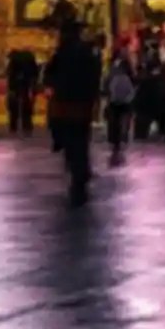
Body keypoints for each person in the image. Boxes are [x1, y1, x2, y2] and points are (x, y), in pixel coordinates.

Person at [46, 21, 101, 206]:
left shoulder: (61, 53)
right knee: (81, 140)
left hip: (65, 104)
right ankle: (81, 174)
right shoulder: (87, 52)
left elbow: (49, 75)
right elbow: (94, 75)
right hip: (82, 105)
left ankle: (74, 170)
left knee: (70, 141)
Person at [104, 52, 135, 163]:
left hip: (119, 103)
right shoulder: (120, 74)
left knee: (118, 123)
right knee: (118, 123)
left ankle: (118, 142)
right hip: (119, 103)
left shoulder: (117, 74)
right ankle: (118, 142)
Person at [6, 48, 40, 135]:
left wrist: (11, 87)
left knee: (14, 107)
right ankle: (27, 126)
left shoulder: (14, 62)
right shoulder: (29, 60)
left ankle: (13, 126)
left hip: (16, 85)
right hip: (27, 84)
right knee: (26, 105)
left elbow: (10, 75)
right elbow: (35, 72)